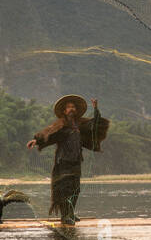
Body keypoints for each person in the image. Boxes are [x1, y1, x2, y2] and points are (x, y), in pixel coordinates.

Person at [27, 94, 104, 225]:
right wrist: (36, 140)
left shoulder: (80, 124)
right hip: (63, 162)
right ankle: (64, 216)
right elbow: (48, 133)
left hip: (76, 161)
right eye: (68, 107)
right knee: (64, 189)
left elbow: (95, 124)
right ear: (64, 110)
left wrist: (96, 109)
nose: (71, 109)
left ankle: (71, 213)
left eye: (73, 107)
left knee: (76, 189)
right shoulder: (60, 124)